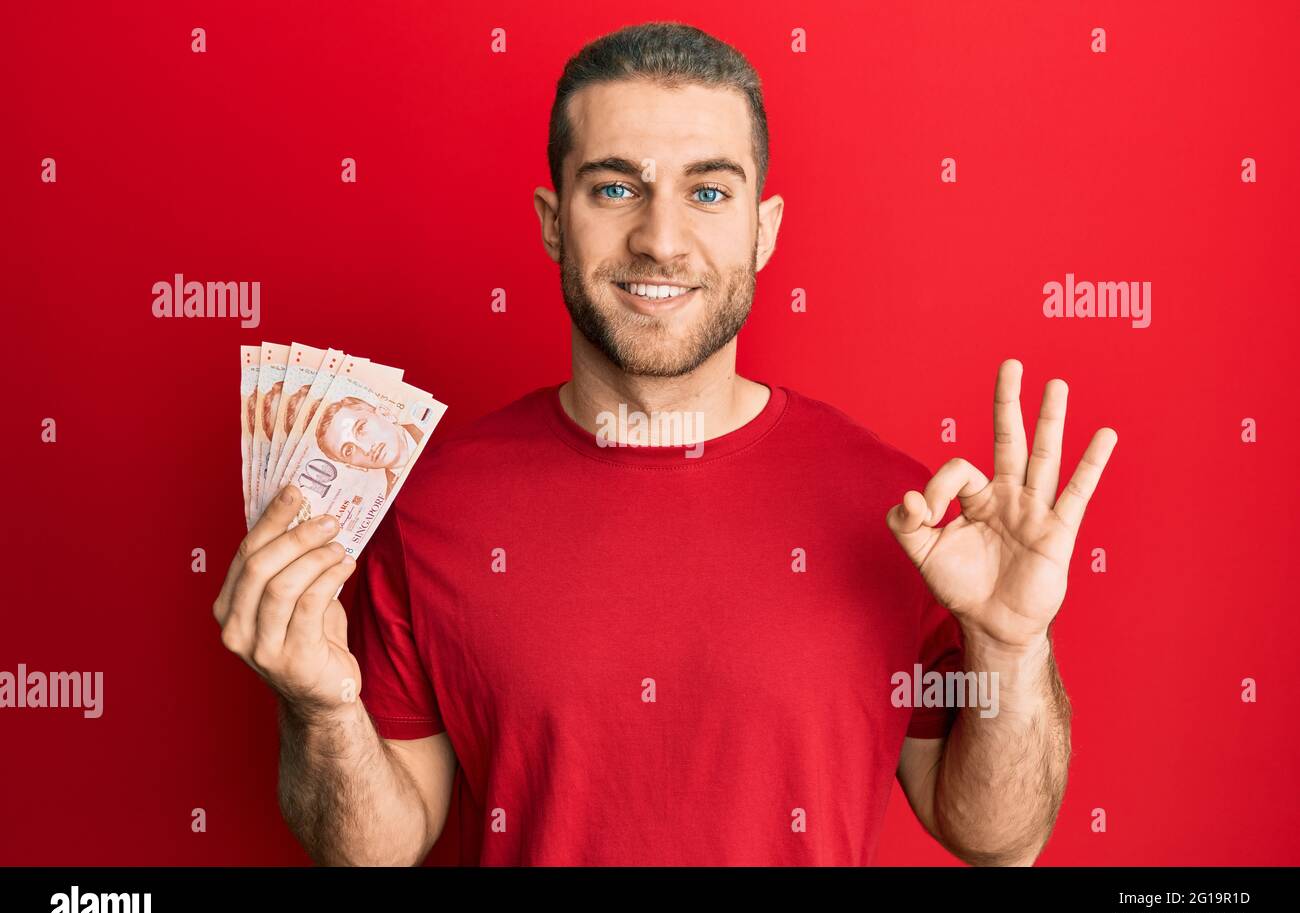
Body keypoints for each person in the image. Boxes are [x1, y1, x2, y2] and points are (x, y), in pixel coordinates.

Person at [213, 21, 1116, 866]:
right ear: (551, 220)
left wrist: (1009, 647)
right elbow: (379, 847)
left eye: (709, 191)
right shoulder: (434, 509)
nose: (661, 239)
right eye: (615, 188)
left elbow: (995, 839)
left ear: (763, 232)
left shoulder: (903, 514)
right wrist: (321, 711)